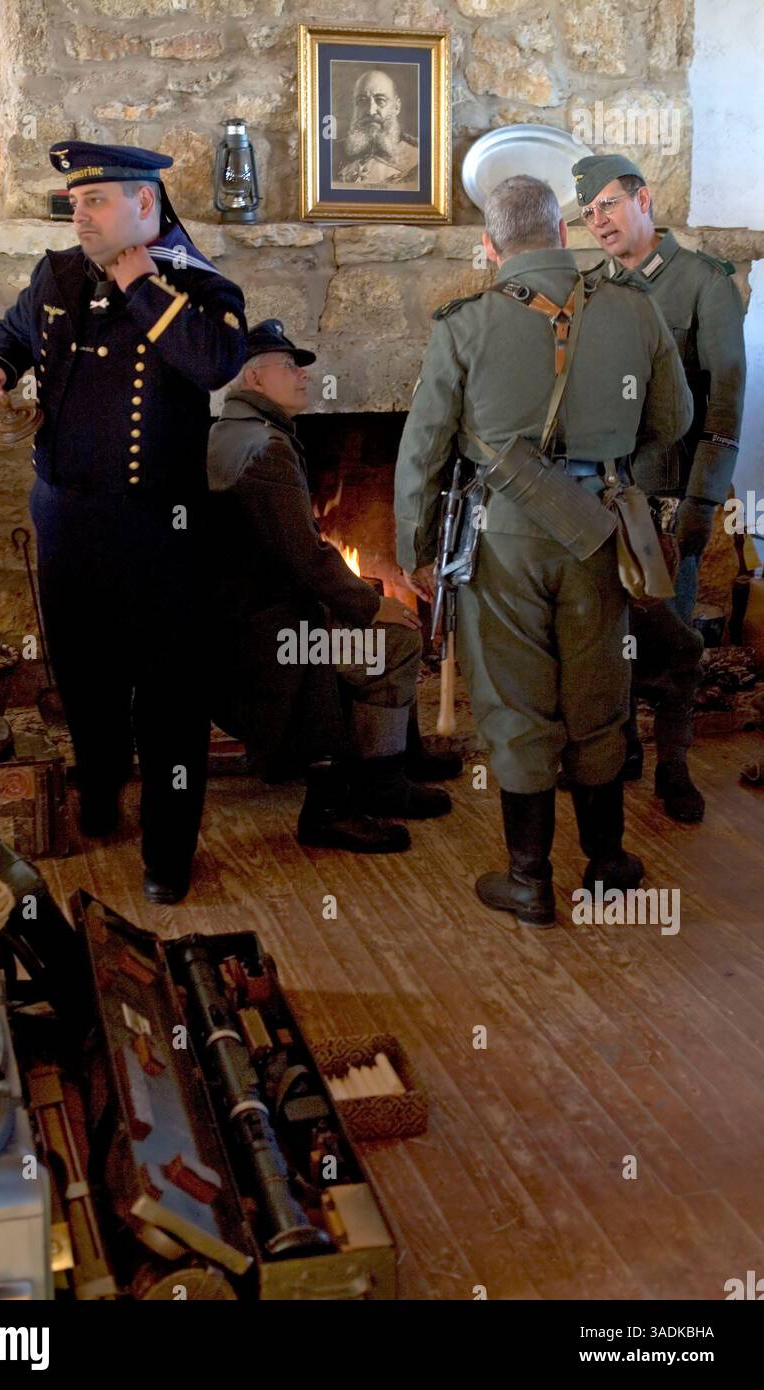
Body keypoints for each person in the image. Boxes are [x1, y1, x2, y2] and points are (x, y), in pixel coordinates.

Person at [395, 174, 693, 927]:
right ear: (565, 234)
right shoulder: (633, 307)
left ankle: (529, 878)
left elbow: (424, 448)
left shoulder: (464, 323)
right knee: (598, 698)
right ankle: (605, 865)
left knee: (515, 701)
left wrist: (418, 547)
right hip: (600, 532)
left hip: (504, 538)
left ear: (491, 248)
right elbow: (674, 418)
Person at [0, 140, 248, 904]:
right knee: (83, 676)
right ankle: (97, 791)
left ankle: (167, 853)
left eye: (95, 201)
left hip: (162, 528)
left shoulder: (202, 286)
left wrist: (142, 285)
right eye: (76, 201)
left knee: (167, 696)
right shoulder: (56, 273)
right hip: (65, 514)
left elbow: (216, 363)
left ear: (145, 205)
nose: (78, 213)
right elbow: (15, 335)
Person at [206, 319, 456, 855]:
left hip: (247, 624)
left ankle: (397, 759)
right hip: (269, 640)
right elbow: (306, 558)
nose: (303, 375)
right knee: (400, 640)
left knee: (387, 629)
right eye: (290, 366)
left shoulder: (231, 432)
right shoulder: (265, 447)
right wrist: (372, 607)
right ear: (253, 376)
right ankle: (362, 791)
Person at [571, 153, 747, 819]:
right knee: (605, 637)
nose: (600, 222)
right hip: (601, 498)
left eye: (609, 205)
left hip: (671, 500)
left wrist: (704, 500)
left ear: (642, 199)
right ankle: (620, 751)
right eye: (589, 214)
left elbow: (725, 405)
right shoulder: (588, 286)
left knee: (673, 645)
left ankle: (674, 766)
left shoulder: (704, 283)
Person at [334, 69, 419, 189]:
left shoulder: (419, 158)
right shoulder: (334, 153)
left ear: (396, 107)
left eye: (380, 101)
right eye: (362, 101)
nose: (370, 111)